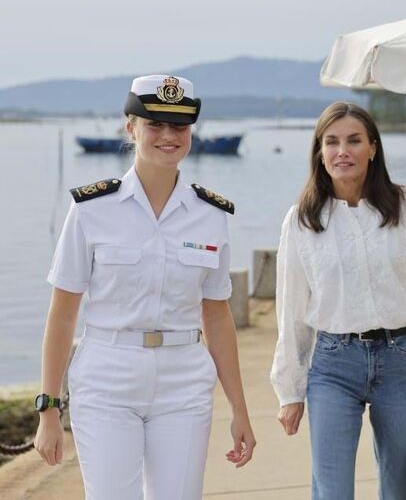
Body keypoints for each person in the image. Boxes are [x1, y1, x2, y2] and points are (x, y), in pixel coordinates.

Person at [33, 75, 256, 498]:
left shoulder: (211, 215)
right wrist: (48, 408)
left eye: (180, 126)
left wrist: (239, 410)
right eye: (154, 124)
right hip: (107, 377)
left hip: (184, 380)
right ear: (130, 127)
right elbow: (62, 314)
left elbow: (217, 314)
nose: (169, 136)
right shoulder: (91, 210)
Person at [270, 102, 406, 499]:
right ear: (319, 151)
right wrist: (290, 391)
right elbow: (291, 309)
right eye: (332, 142)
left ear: (373, 147)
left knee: (401, 484)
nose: (343, 151)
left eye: (354, 141)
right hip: (334, 364)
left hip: (403, 359)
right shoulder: (302, 219)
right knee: (331, 488)